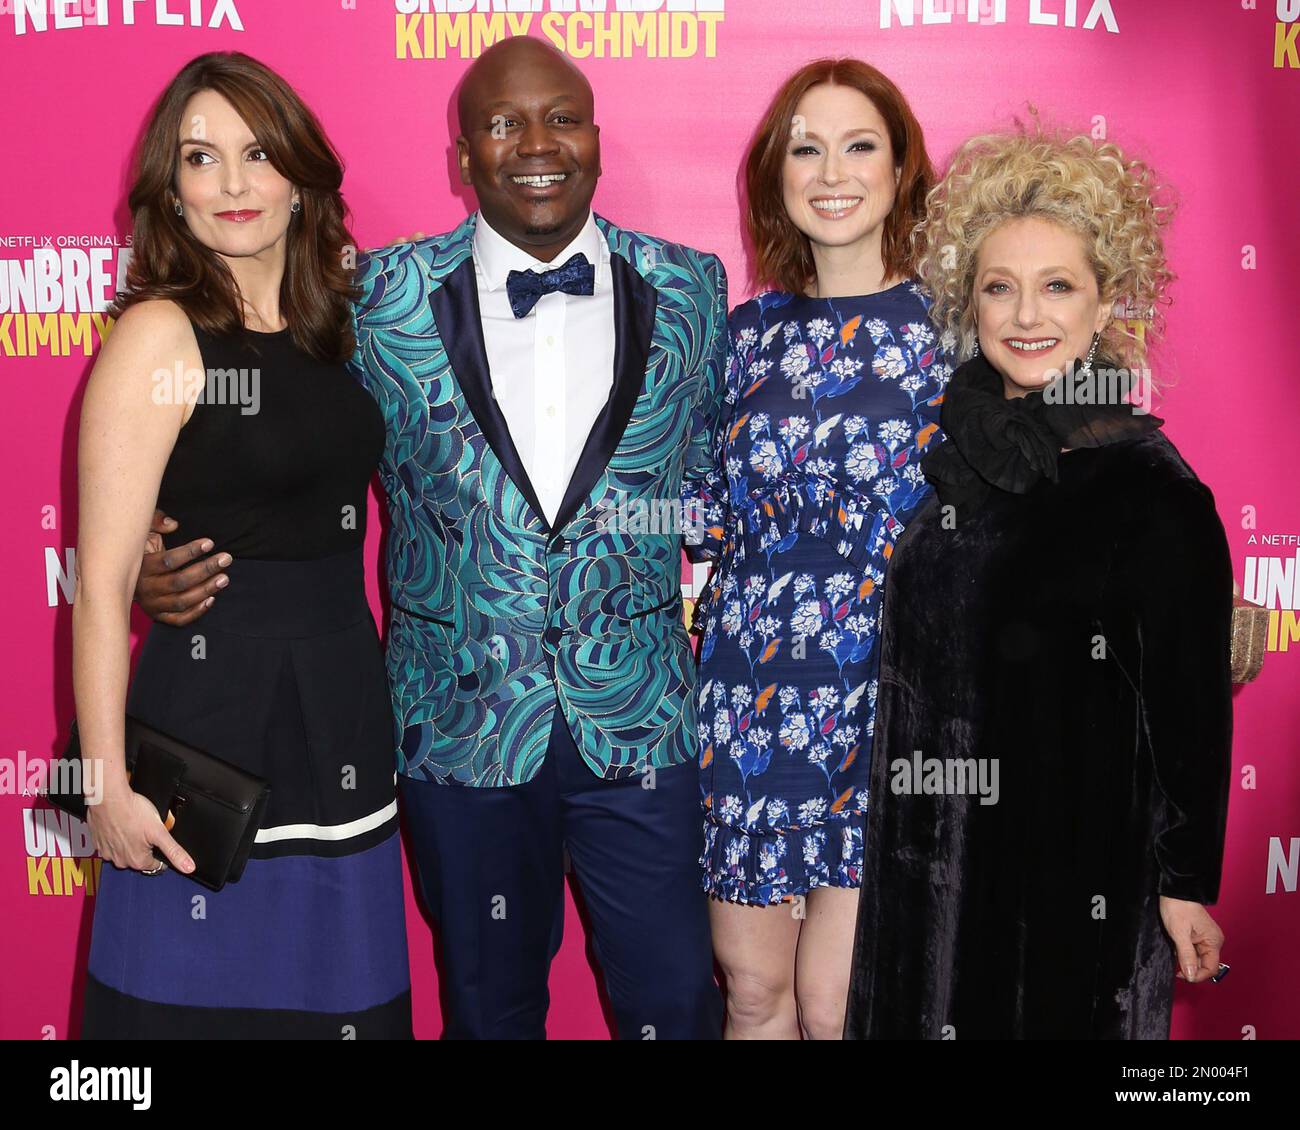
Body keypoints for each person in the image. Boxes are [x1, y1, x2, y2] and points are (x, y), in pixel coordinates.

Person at [139, 37, 727, 1040]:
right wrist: (164, 553)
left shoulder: (690, 286)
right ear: (463, 157)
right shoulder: (374, 295)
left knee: (675, 1002)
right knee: (487, 1009)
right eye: (502, 123)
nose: (536, 143)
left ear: (594, 137)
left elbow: (712, 476)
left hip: (642, 723)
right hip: (456, 728)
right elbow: (285, 443)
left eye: (562, 118)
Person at [843, 127, 1233, 1040]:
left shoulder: (1149, 485)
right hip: (926, 870)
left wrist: (1184, 886)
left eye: (1057, 285)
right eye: (999, 286)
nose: (1027, 313)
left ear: (1103, 307)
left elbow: (1190, 709)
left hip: (1068, 888)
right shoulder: (961, 453)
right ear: (968, 304)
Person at [75, 52, 411, 1039]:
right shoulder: (160, 335)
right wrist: (104, 784)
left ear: (301, 173)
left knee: (336, 1007)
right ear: (169, 193)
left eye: (257, 153)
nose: (231, 184)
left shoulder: (334, 330)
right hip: (210, 731)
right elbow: (99, 587)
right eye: (200, 158)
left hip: (340, 724)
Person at [688, 59, 951, 1039]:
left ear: (899, 169)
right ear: (776, 171)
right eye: (806, 146)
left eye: (858, 145)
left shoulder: (954, 332)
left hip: (885, 702)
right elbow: (698, 513)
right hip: (746, 698)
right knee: (754, 995)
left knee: (841, 1005)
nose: (830, 171)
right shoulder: (740, 338)